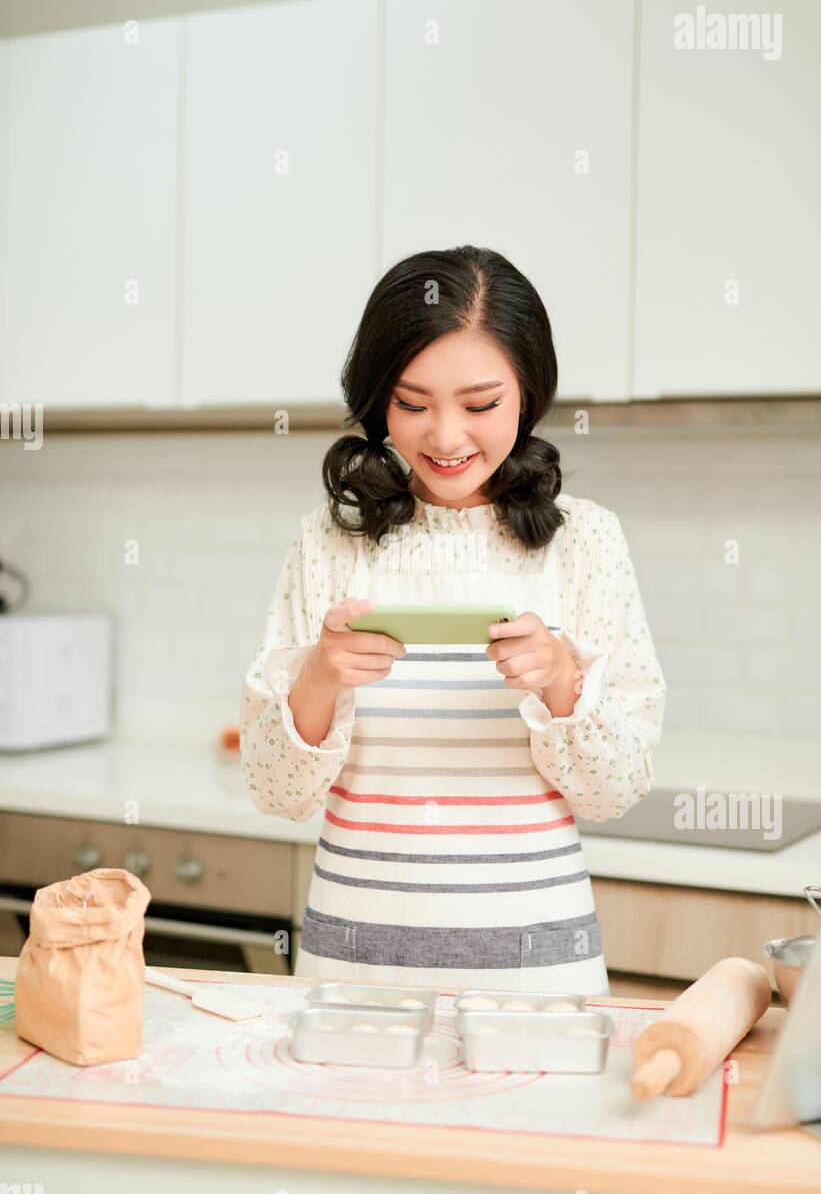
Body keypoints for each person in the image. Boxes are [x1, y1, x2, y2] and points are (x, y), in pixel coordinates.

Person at [240, 245, 666, 996]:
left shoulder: (585, 541)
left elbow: (614, 791)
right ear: (377, 400)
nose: (443, 437)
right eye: (411, 404)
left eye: (479, 405)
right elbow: (279, 794)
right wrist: (318, 676)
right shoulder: (328, 543)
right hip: (352, 982)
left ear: (528, 395)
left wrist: (565, 683)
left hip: (540, 986)